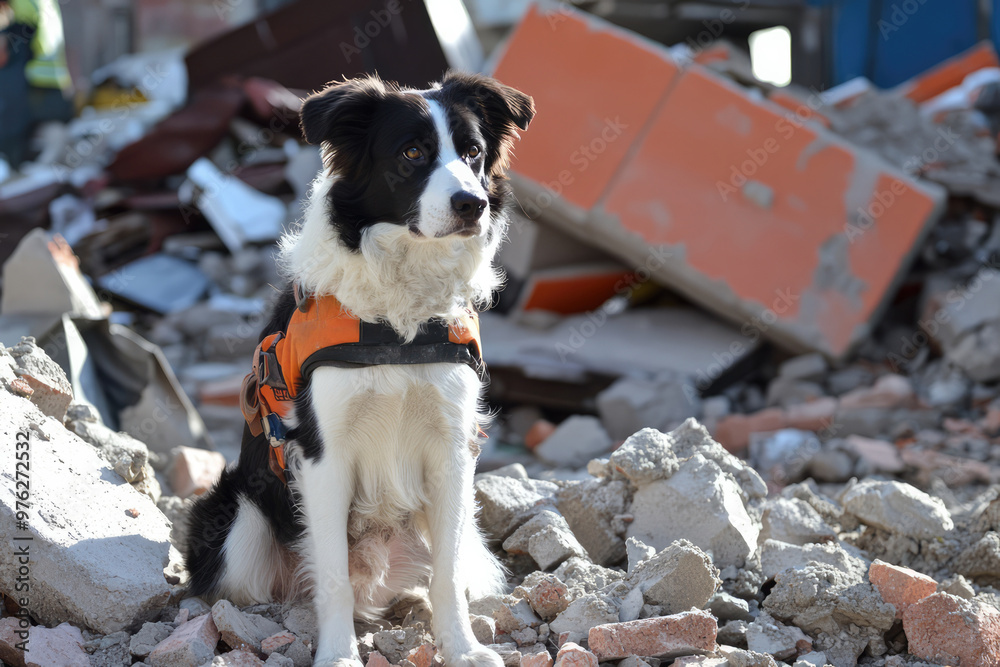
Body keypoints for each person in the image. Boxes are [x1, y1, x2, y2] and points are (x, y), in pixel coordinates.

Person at [0, 0, 73, 167]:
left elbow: (4, 49)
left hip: (29, 85)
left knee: (11, 145)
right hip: (51, 84)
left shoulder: (23, 7)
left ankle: (15, 172)